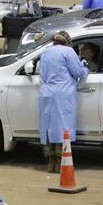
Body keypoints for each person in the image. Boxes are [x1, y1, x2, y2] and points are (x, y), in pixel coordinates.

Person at [36, 31, 89, 173]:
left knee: (49, 127)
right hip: (63, 94)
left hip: (46, 93)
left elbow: (40, 71)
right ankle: (61, 163)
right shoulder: (68, 51)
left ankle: (50, 162)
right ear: (67, 41)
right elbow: (78, 72)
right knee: (62, 128)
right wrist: (85, 67)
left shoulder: (45, 52)